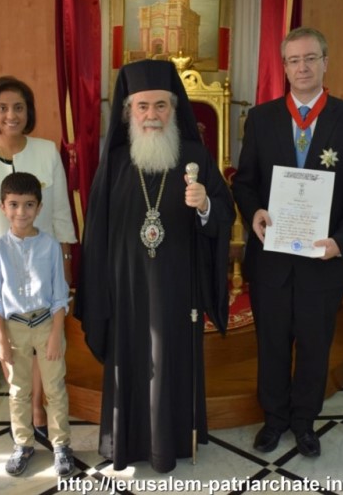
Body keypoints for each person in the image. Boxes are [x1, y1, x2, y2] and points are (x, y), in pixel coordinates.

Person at [76, 59, 235, 473]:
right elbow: (96, 234)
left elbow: (225, 215)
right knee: (131, 362)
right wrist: (101, 290)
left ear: (174, 108)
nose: (152, 115)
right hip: (126, 289)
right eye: (143, 107)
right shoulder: (113, 163)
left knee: (170, 362)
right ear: (128, 111)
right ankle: (128, 443)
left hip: (178, 288)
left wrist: (205, 207)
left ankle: (174, 443)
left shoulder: (195, 156)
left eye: (161, 106)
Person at [231, 27, 343, 458]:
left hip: (323, 261)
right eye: (293, 60)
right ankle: (274, 420)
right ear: (285, 67)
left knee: (314, 347)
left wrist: (340, 241)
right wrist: (253, 212)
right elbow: (245, 183)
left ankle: (304, 422)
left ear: (325, 62)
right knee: (272, 344)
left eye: (310, 58)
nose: (302, 68)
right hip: (272, 260)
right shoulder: (261, 118)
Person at [0, 76, 77, 442]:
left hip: (46, 269)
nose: (11, 115)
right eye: (3, 108)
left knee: (45, 343)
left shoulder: (45, 151)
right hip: (0, 272)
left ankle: (39, 405)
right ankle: (23, 406)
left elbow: (59, 211)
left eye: (19, 107)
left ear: (29, 112)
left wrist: (67, 260)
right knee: (12, 348)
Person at [0, 172, 75, 477]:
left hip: (46, 325)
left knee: (54, 388)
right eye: (13, 204)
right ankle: (23, 444)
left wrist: (55, 335)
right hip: (13, 329)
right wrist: (1, 341)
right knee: (18, 390)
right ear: (2, 207)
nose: (21, 212)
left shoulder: (50, 246)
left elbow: (59, 297)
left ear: (38, 208)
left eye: (28, 205)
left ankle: (61, 444)